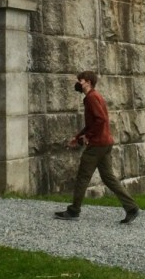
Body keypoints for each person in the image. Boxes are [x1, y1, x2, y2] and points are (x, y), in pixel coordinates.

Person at [55, 71, 140, 224]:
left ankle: (74, 210)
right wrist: (78, 137)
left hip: (98, 145)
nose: (78, 83)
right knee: (108, 178)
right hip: (105, 142)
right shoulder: (94, 96)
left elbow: (100, 120)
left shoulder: (91, 98)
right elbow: (93, 123)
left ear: (87, 82)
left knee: (83, 177)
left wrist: (88, 136)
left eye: (80, 80)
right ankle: (131, 207)